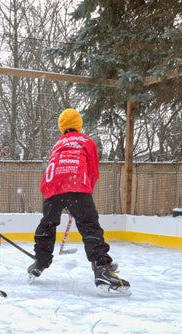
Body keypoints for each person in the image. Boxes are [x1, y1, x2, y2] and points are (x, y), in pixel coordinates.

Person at [27, 108, 131, 296]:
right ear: (79, 125)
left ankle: (40, 261)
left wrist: (53, 194)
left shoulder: (57, 144)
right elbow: (93, 170)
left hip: (52, 187)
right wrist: (83, 194)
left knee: (47, 224)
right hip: (76, 184)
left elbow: (51, 167)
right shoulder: (86, 141)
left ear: (61, 127)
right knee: (90, 226)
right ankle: (101, 268)